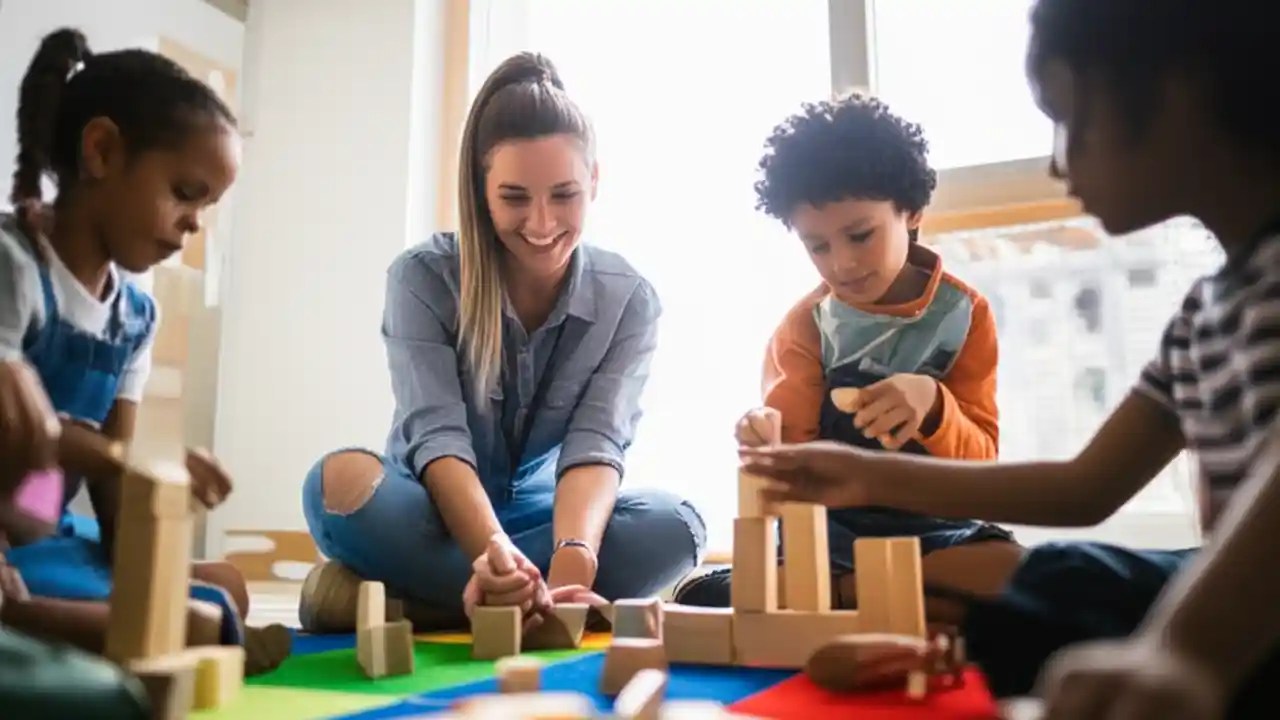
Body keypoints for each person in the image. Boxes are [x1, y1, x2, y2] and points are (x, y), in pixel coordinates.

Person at [739, 0, 1280, 717]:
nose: (1059, 159)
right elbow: (1084, 488)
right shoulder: (1203, 317)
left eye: (1071, 118)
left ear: (1179, 97)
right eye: (819, 245)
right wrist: (859, 471)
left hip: (1234, 616)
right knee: (1058, 582)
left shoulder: (964, 314)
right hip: (853, 543)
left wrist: (1187, 651)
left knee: (1037, 584)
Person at [299, 52, 706, 632]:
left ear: (595, 181)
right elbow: (437, 437)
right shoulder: (421, 277)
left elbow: (597, 444)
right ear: (482, 191)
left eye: (564, 195)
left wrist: (571, 574)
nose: (542, 224)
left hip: (548, 520)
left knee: (679, 525)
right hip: (431, 511)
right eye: (515, 198)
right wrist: (494, 551)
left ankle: (413, 603)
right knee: (333, 485)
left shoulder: (629, 299)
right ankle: (494, 592)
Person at [0, 28, 289, 675]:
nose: (194, 225)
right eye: (186, 194)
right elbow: (33, 434)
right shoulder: (14, 268)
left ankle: (141, 623)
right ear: (101, 151)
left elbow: (110, 481)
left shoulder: (135, 315)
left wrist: (152, 500)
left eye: (207, 206)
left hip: (44, 528)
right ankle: (27, 617)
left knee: (223, 593)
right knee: (189, 620)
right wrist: (121, 461)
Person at [674, 94, 1022, 618]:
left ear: (912, 211)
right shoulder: (805, 328)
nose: (843, 263)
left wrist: (933, 406)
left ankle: (848, 595)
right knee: (737, 591)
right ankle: (861, 591)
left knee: (1015, 572)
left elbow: (982, 465)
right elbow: (791, 473)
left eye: (861, 235)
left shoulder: (964, 315)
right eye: (818, 246)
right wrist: (767, 440)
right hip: (833, 533)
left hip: (936, 526)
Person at [0, 359, 151, 720]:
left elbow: (39, 510)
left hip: (53, 529)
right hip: (29, 541)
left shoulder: (135, 316)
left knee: (220, 599)